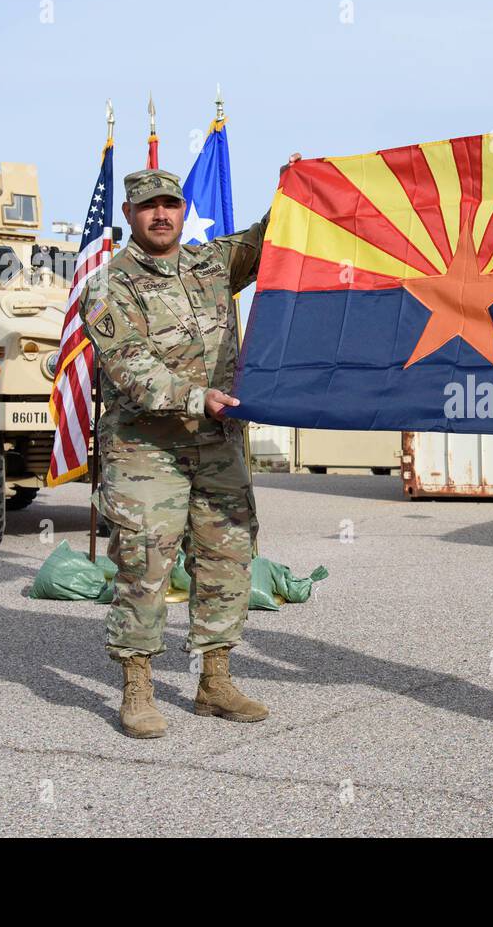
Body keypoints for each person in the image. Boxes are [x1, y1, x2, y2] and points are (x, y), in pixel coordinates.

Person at [81, 161, 292, 739]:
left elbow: (271, 237)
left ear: (179, 209)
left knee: (227, 558)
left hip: (217, 444)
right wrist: (201, 398)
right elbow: (132, 370)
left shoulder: (210, 261)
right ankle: (138, 687)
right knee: (145, 564)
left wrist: (295, 186)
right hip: (146, 449)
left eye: (170, 204)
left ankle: (214, 681)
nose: (161, 214)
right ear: (129, 215)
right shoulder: (108, 286)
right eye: (149, 206)